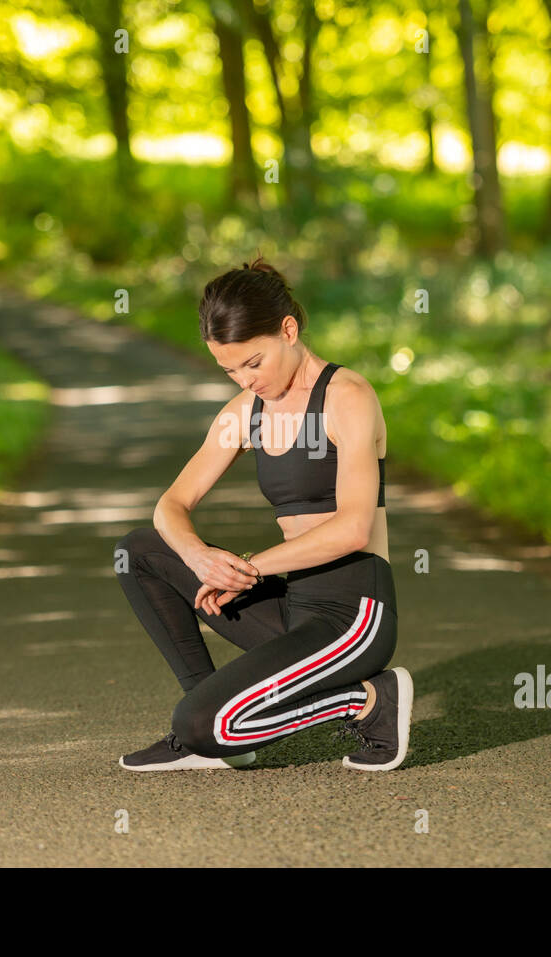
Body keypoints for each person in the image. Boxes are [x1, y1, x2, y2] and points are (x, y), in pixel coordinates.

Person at [114, 254, 411, 772]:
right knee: (139, 551)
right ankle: (219, 731)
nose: (245, 379)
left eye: (253, 363)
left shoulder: (347, 398)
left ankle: (370, 702)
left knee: (198, 724)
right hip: (292, 604)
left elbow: (353, 527)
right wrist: (200, 557)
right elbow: (172, 505)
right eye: (229, 369)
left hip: (352, 615)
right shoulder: (245, 412)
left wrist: (248, 568)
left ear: (288, 330)